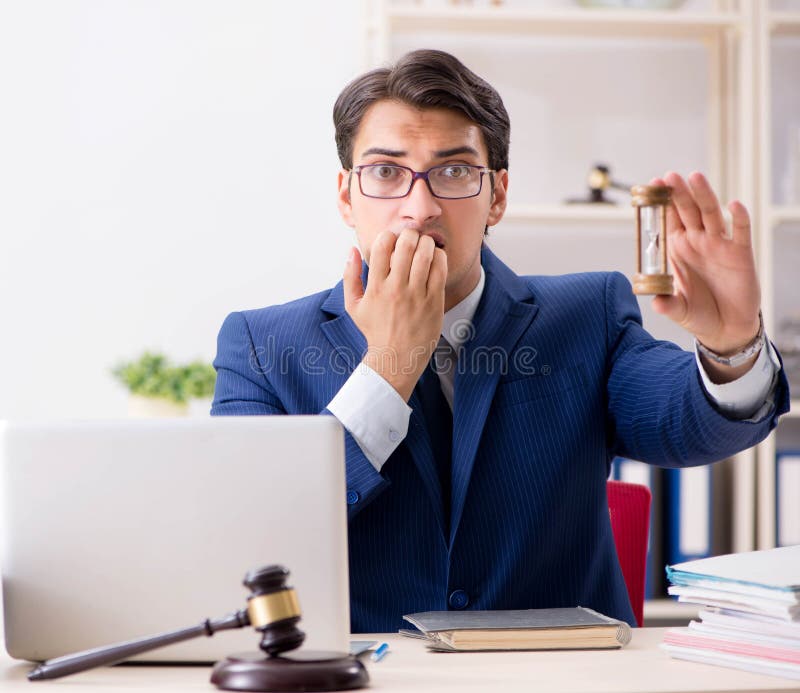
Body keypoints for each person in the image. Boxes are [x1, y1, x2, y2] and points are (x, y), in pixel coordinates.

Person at [211, 49, 789, 632]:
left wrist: (732, 344)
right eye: (386, 172)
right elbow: (252, 530)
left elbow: (689, 424)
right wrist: (389, 368)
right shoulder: (261, 346)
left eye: (455, 171)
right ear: (345, 196)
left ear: (498, 196)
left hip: (557, 676)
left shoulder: (586, 314)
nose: (420, 207)